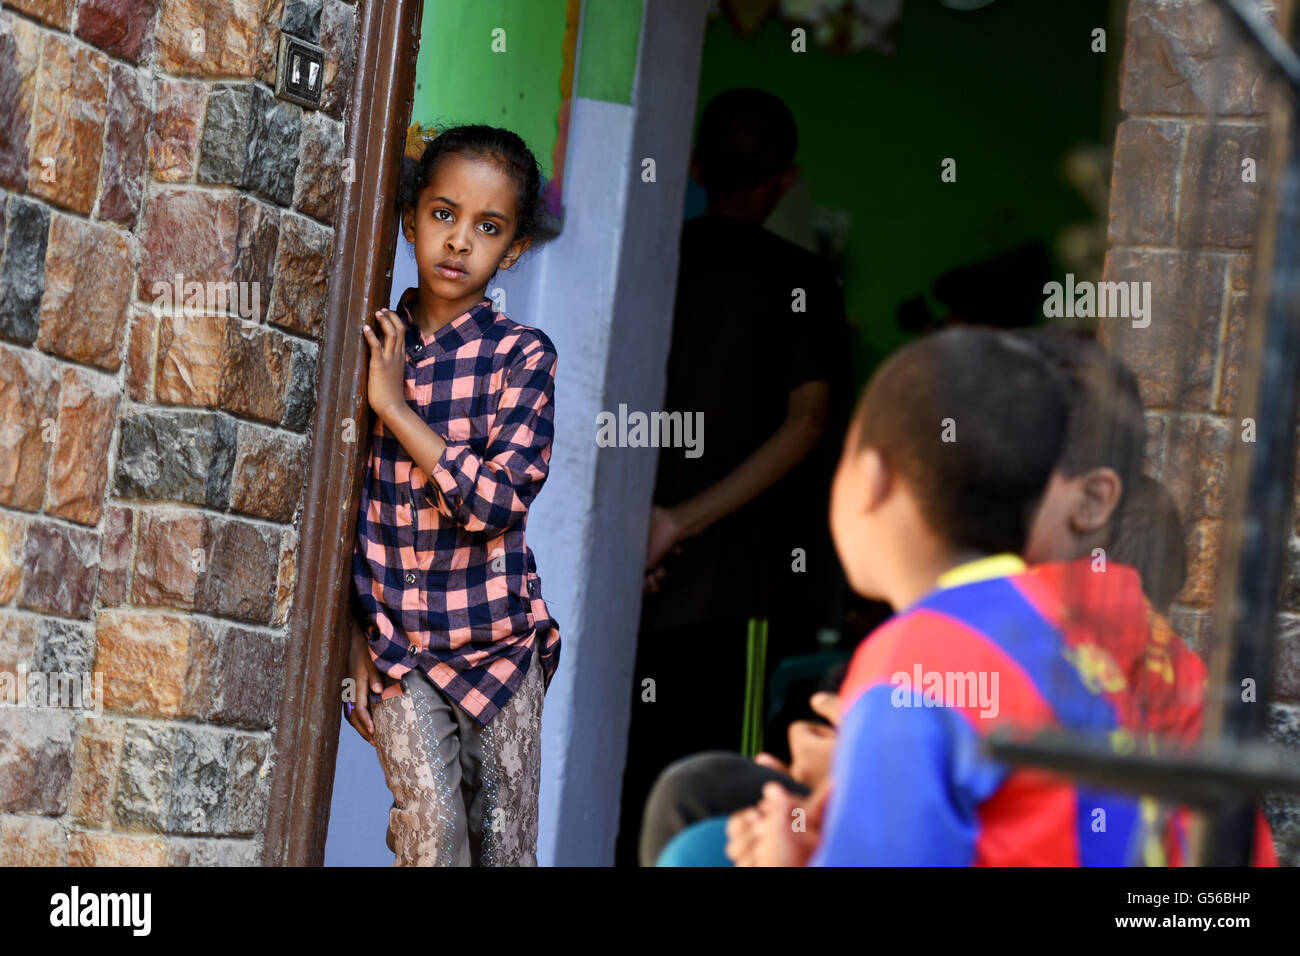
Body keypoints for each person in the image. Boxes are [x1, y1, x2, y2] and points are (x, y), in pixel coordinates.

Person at [618, 87, 852, 864]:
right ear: (783, 182)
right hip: (735, 585)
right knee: (722, 791)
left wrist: (643, 526)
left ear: (693, 168)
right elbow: (808, 425)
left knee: (626, 781)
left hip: (634, 575)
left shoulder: (652, 255)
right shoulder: (805, 282)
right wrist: (680, 523)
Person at [345, 125, 560, 867]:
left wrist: (397, 411)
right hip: (400, 654)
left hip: (499, 654)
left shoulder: (522, 357)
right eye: (443, 214)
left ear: (514, 250)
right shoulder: (369, 345)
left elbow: (496, 502)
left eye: (488, 227)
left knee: (503, 852)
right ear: (410, 219)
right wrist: (352, 637)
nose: (459, 242)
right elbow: (338, 515)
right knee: (432, 842)